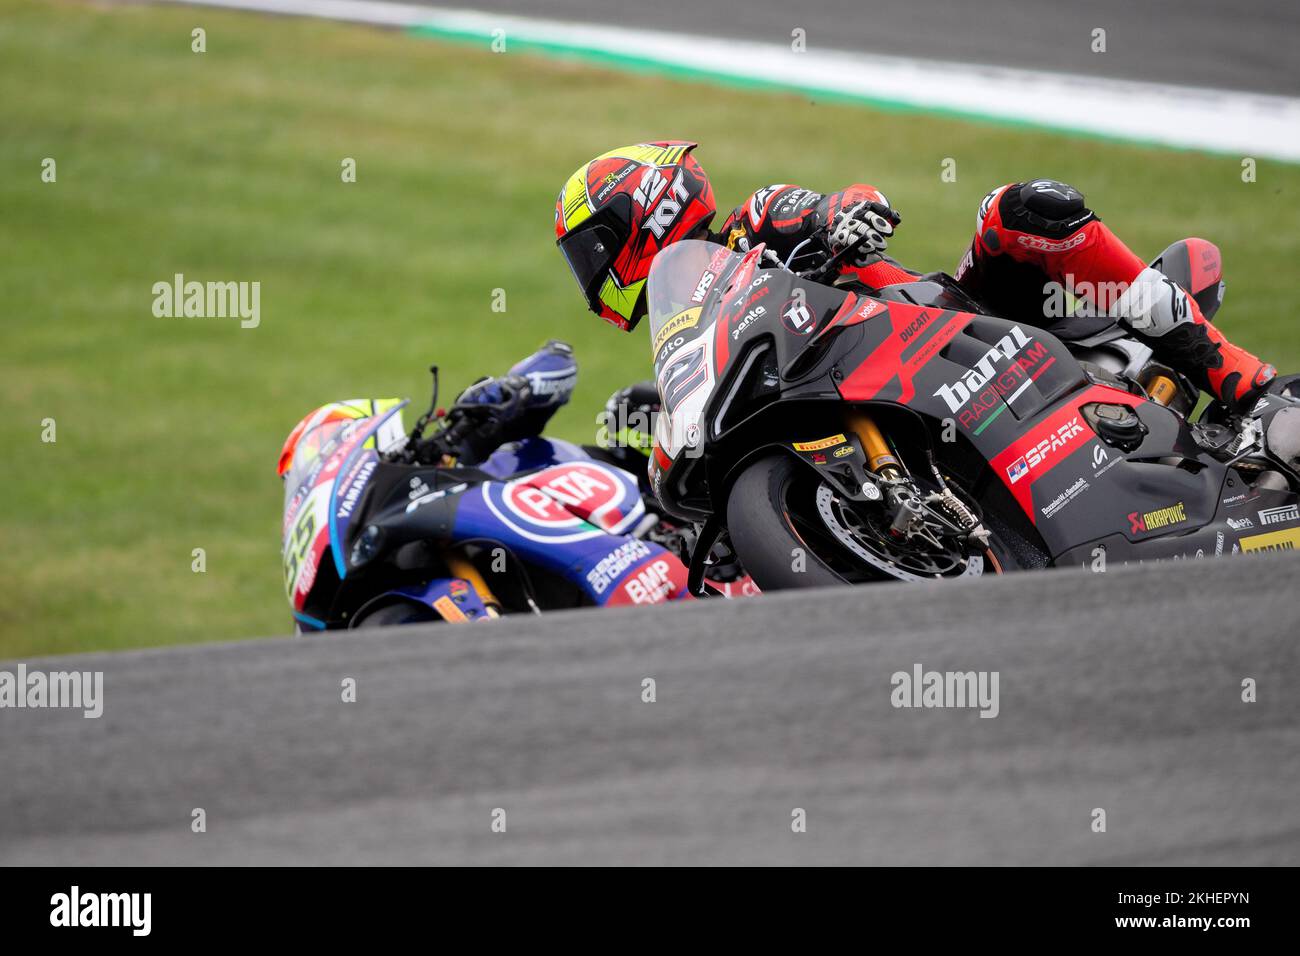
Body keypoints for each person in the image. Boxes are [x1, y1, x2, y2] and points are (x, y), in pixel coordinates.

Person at [553, 140, 1279, 410]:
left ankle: (1236, 375)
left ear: (643, 213)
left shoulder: (754, 221)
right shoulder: (687, 326)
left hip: (954, 322)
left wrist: (845, 216)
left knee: (1019, 210)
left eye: (593, 252)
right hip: (880, 402)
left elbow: (835, 203)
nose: (592, 278)